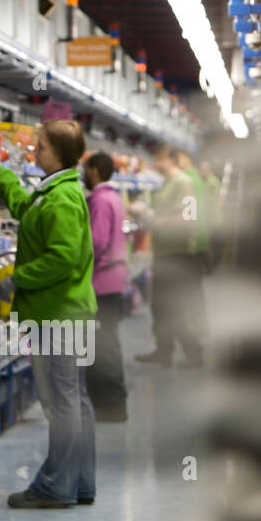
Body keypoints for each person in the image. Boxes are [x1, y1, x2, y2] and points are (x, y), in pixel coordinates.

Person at [0, 119, 98, 508]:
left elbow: (62, 259)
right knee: (74, 401)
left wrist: (18, 279)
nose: (35, 153)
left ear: (60, 154)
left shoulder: (63, 198)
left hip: (58, 316)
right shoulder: (54, 191)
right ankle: (79, 482)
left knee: (61, 404)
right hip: (68, 313)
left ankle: (55, 487)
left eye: (41, 147)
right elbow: (24, 206)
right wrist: (0, 171)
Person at [135, 144, 206, 368]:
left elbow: (188, 217)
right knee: (160, 306)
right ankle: (164, 351)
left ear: (172, 159)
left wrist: (153, 219)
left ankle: (194, 354)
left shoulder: (183, 183)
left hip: (179, 255)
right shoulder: (167, 183)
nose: (157, 162)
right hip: (165, 252)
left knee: (175, 308)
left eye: (160, 158)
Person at [83, 152, 129, 421]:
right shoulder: (113, 196)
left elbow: (96, 243)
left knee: (102, 344)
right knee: (106, 340)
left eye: (85, 169)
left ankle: (110, 406)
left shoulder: (100, 200)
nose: (83, 174)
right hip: (113, 278)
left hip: (102, 280)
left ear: (95, 170)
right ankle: (111, 403)